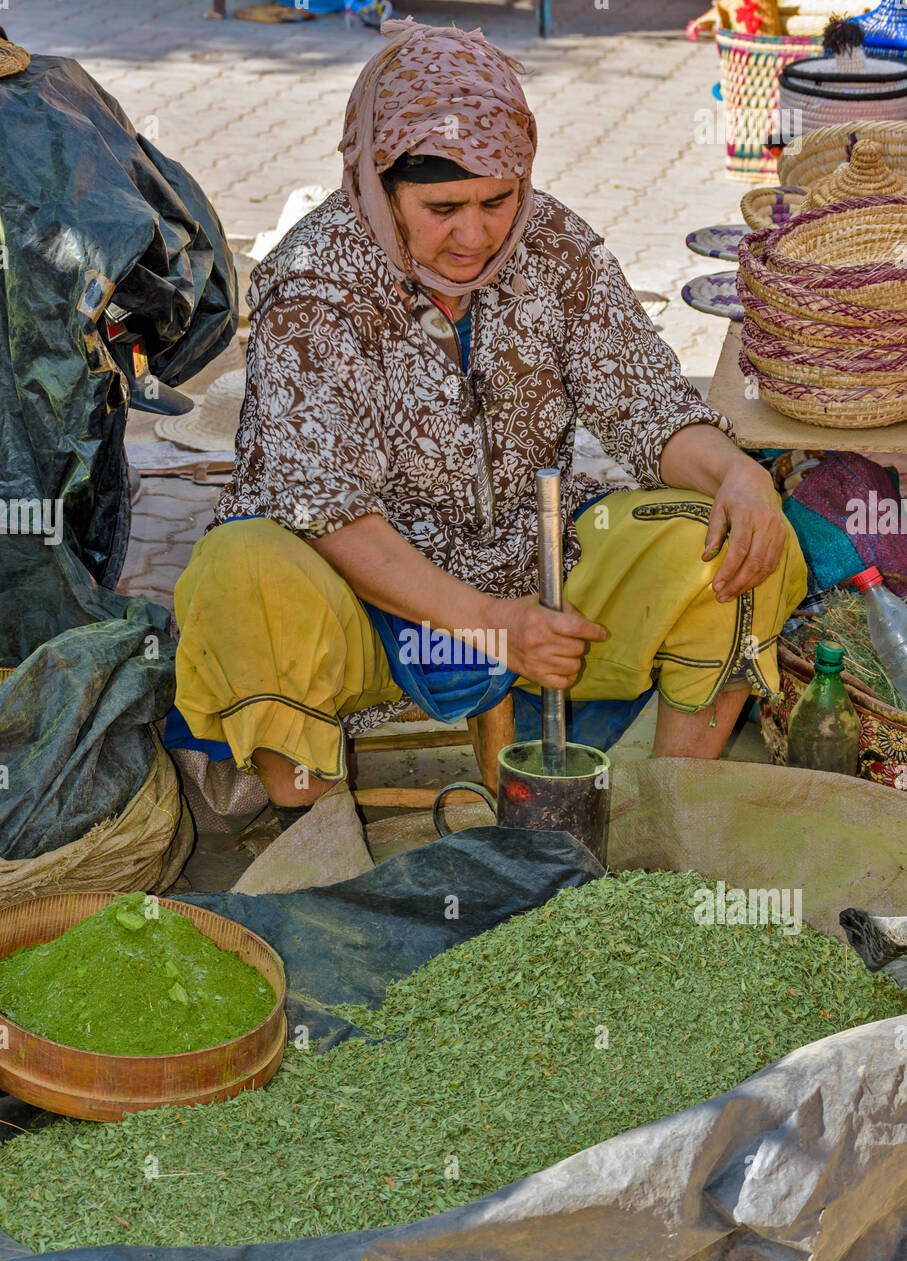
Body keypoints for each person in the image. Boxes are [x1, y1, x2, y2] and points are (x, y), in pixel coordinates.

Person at [173, 19, 806, 830]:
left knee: (743, 543)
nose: (473, 236)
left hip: (530, 560)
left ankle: (657, 816)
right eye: (441, 208)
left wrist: (738, 476)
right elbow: (325, 507)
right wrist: (491, 626)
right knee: (239, 568)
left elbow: (647, 404)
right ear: (376, 182)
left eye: (495, 201)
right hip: (361, 598)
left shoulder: (553, 248)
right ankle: (320, 842)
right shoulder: (312, 284)